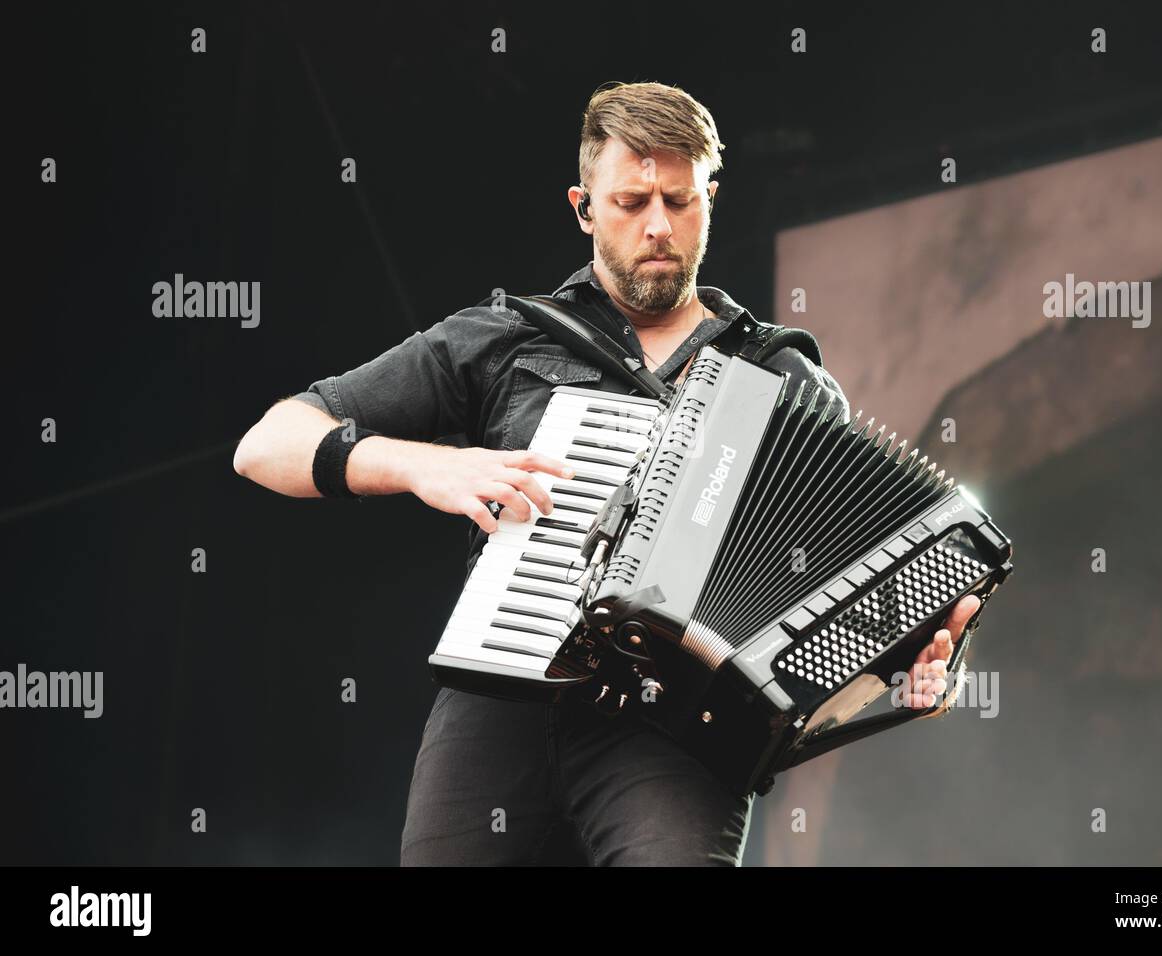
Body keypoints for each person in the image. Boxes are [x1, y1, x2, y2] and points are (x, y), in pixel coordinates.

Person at [232, 81, 978, 866]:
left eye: (680, 201)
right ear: (584, 207)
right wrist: (425, 465)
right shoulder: (506, 338)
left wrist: (915, 661)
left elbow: (845, 584)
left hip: (676, 731)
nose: (658, 225)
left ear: (710, 202)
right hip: (500, 707)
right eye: (630, 202)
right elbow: (267, 445)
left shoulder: (780, 374)